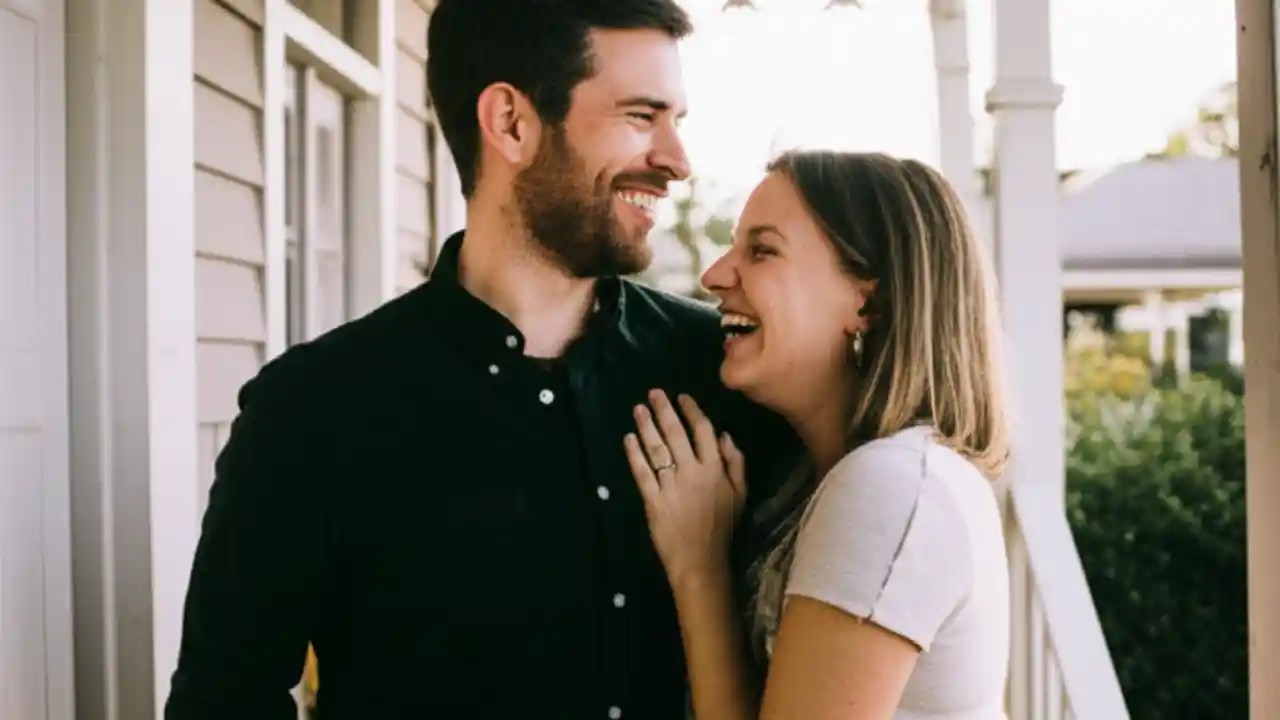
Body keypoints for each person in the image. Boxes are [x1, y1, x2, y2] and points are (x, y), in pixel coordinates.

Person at [163, 1, 794, 717]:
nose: (677, 161)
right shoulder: (312, 412)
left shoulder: (725, 372)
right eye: (640, 116)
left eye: (676, 122)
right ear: (511, 123)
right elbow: (222, 700)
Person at [625, 151, 1011, 719]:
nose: (714, 276)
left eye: (762, 250)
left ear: (868, 301)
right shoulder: (852, 479)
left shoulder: (893, 489)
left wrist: (698, 568)